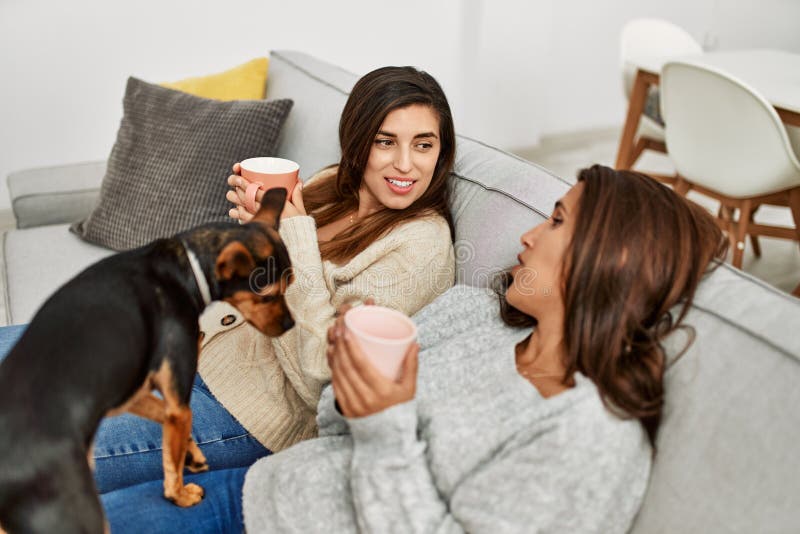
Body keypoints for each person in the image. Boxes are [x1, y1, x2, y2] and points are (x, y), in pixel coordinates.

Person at [99, 165, 728, 532]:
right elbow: (330, 424)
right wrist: (352, 378)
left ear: (609, 260)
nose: (530, 236)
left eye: (558, 221)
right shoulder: (476, 313)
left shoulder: (590, 438)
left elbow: (379, 446)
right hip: (263, 492)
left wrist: (387, 425)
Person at [0, 65, 456, 509]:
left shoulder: (421, 246)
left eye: (423, 144)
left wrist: (290, 240)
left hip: (243, 412)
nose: (405, 164)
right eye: (385, 142)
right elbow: (254, 278)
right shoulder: (328, 187)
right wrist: (252, 228)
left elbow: (323, 377)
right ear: (358, 145)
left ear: (441, 151)